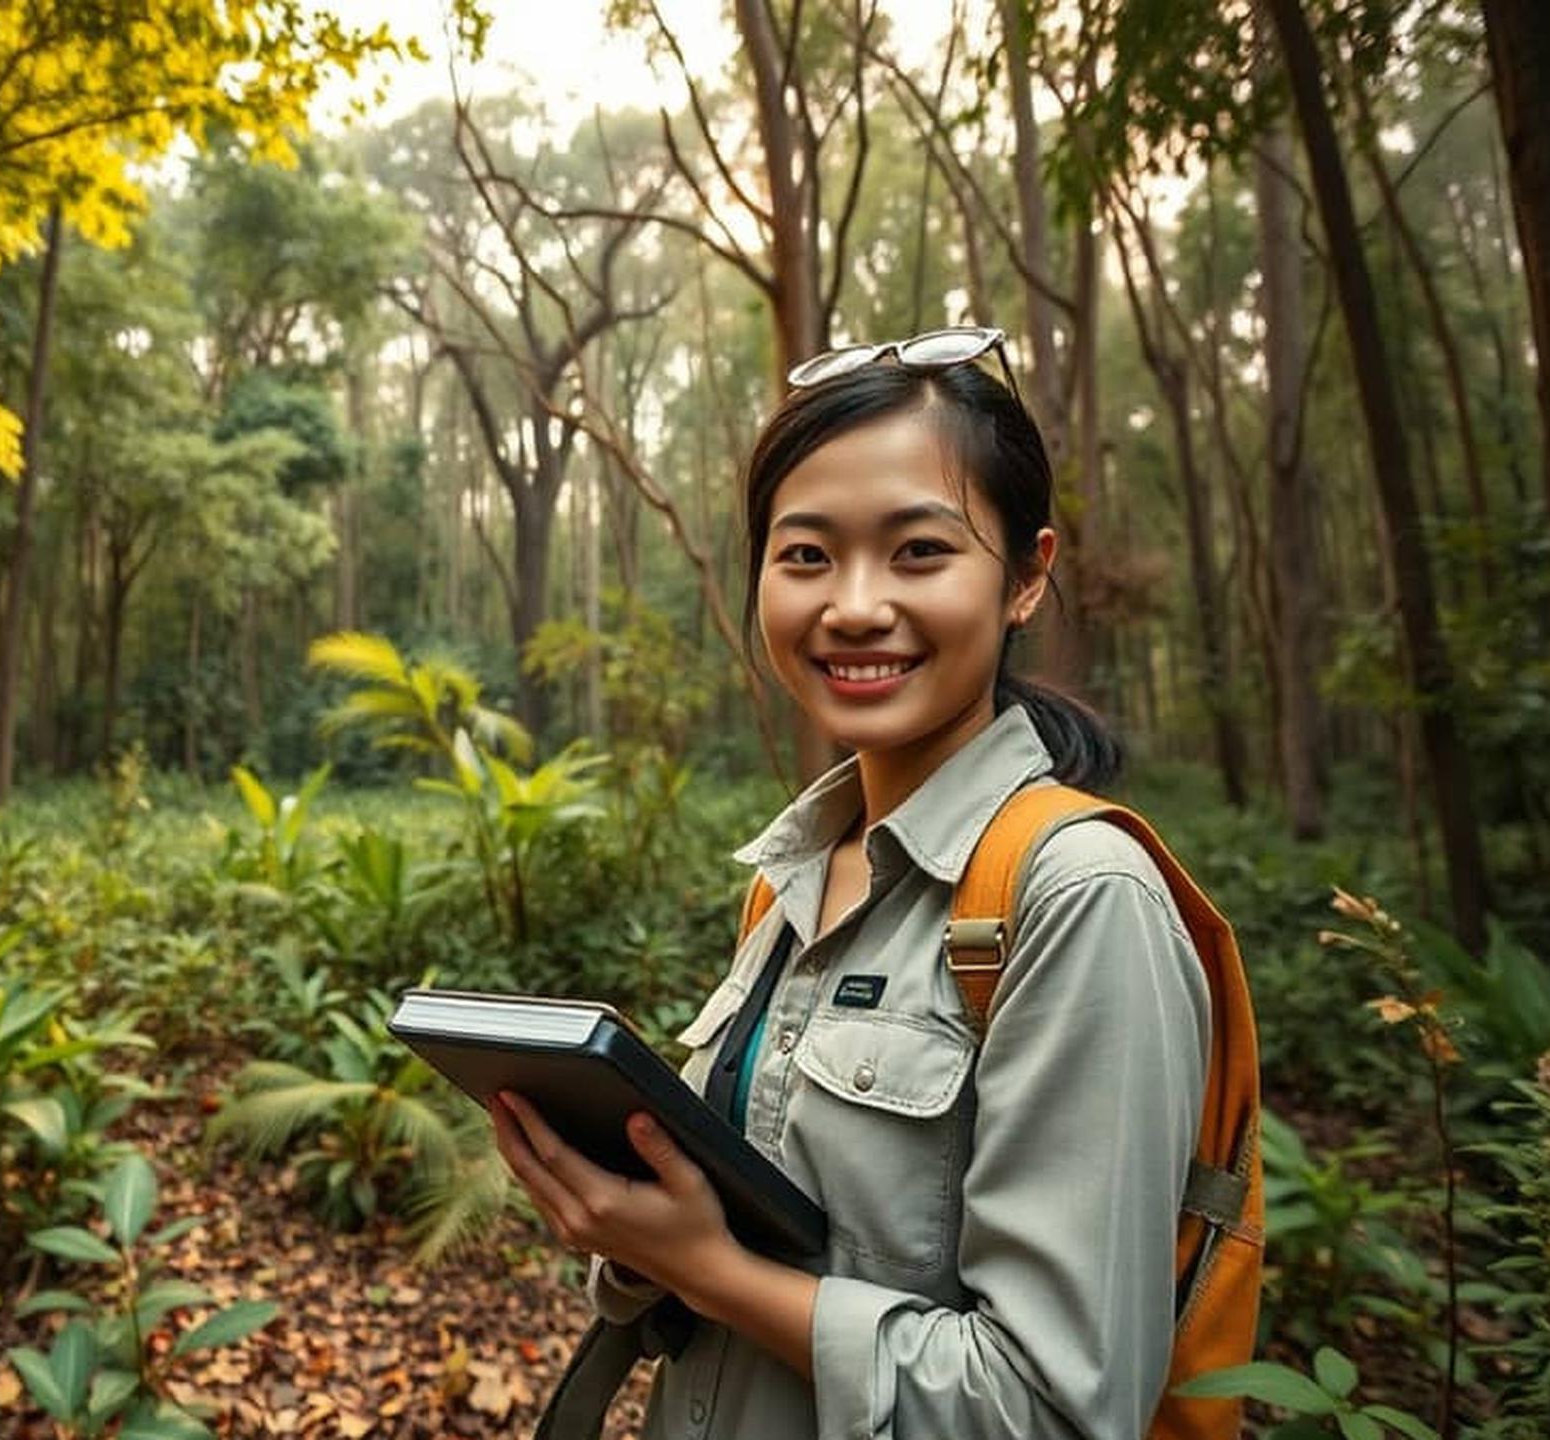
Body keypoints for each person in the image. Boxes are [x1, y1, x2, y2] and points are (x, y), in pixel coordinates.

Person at [490, 327, 1218, 1439]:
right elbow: (770, 1236)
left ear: (1027, 577)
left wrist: (710, 1270)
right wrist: (633, 1236)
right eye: (806, 555)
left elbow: (1058, 1410)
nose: (853, 606)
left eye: (919, 552)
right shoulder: (790, 883)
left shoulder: (1078, 897)